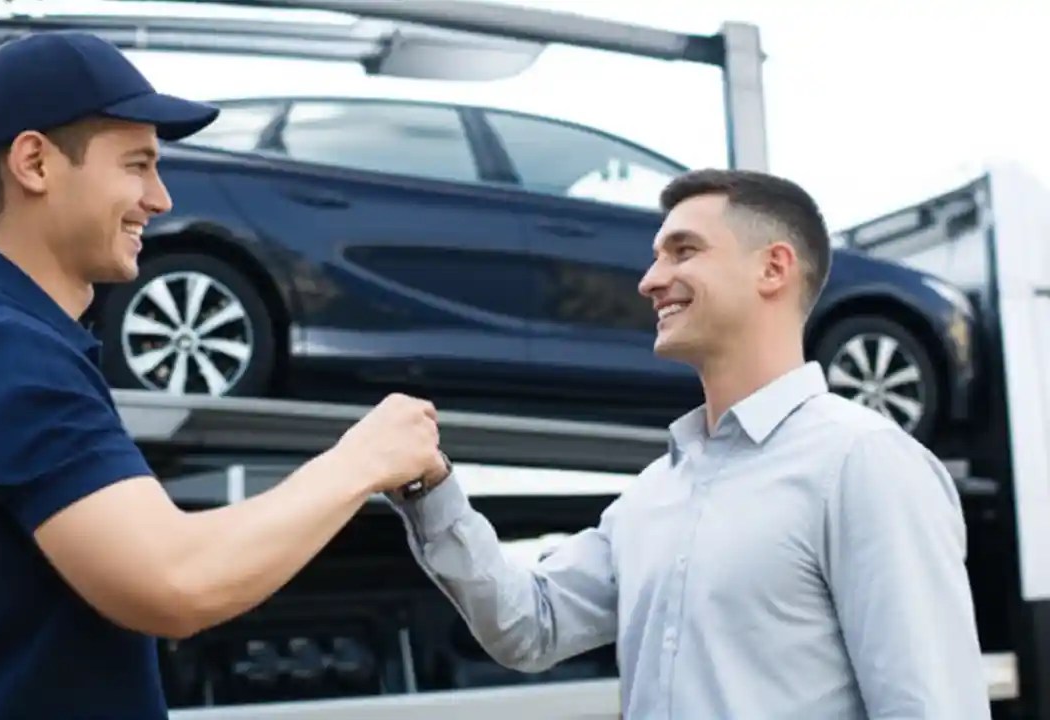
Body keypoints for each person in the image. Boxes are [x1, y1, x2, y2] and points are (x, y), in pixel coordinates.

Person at [0, 31, 447, 719]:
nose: (160, 197)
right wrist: (362, 460)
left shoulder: (12, 341)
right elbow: (176, 581)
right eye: (137, 164)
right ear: (35, 162)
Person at [390, 169, 991, 718]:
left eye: (683, 251)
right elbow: (533, 625)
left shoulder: (864, 463)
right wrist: (429, 487)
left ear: (773, 268)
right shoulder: (657, 491)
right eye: (656, 258)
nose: (651, 281)